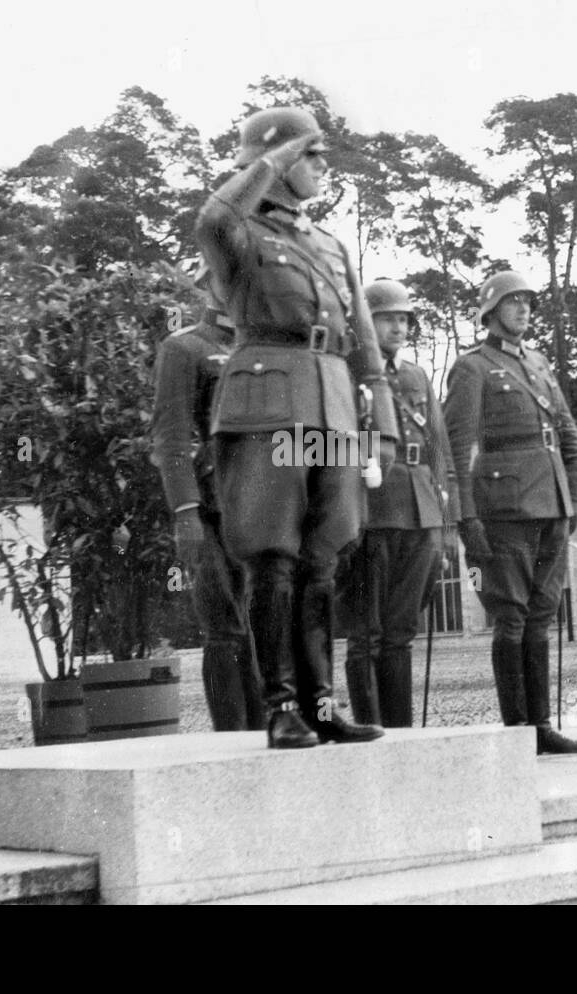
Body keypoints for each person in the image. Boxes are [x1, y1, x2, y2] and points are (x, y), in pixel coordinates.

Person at [195, 106, 399, 749]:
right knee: (273, 555)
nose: (321, 165)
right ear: (278, 160)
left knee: (321, 558)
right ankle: (279, 705)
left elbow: (365, 344)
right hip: (268, 402)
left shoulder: (331, 245)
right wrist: (273, 157)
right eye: (310, 155)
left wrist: (384, 427)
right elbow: (212, 218)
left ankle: (320, 704)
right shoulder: (240, 232)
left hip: (330, 402)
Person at [443, 271, 577, 754]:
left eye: (528, 301)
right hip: (504, 507)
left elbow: (569, 437)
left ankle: (542, 727)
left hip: (552, 504)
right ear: (490, 312)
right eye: (513, 302)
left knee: (542, 615)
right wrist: (466, 519)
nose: (524, 309)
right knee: (511, 616)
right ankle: (517, 733)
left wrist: (576, 500)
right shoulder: (472, 368)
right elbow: (454, 449)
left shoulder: (539, 362)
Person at [339, 279, 458, 727]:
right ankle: (370, 731)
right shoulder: (346, 372)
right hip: (371, 510)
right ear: (367, 323)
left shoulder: (416, 376)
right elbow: (316, 444)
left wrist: (447, 524)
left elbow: (439, 451)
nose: (400, 326)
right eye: (390, 318)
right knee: (366, 634)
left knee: (401, 633)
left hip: (420, 508)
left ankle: (401, 734)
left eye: (405, 319)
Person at [150, 268, 263, 730]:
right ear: (211, 283)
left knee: (268, 628)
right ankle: (230, 741)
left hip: (269, 505)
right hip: (214, 508)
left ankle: (269, 735)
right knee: (225, 629)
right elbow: (171, 438)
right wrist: (185, 512)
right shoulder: (185, 348)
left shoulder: (267, 348)